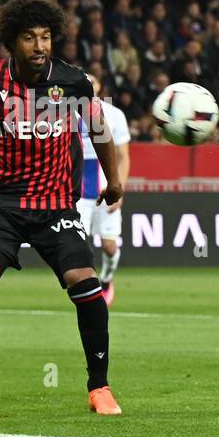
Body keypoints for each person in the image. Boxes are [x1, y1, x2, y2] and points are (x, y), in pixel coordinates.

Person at [0, 0, 124, 419]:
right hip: (2, 202)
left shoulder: (74, 83)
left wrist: (114, 183)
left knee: (86, 282)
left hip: (56, 204)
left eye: (46, 37)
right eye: (29, 37)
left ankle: (100, 387)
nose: (40, 46)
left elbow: (101, 134)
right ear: (11, 41)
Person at [75, 74, 130, 306]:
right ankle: (87, 287)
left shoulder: (115, 115)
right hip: (77, 190)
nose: (89, 85)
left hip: (104, 187)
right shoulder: (66, 113)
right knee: (77, 243)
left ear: (99, 86)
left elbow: (123, 157)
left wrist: (119, 188)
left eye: (93, 81)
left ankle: (106, 279)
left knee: (109, 246)